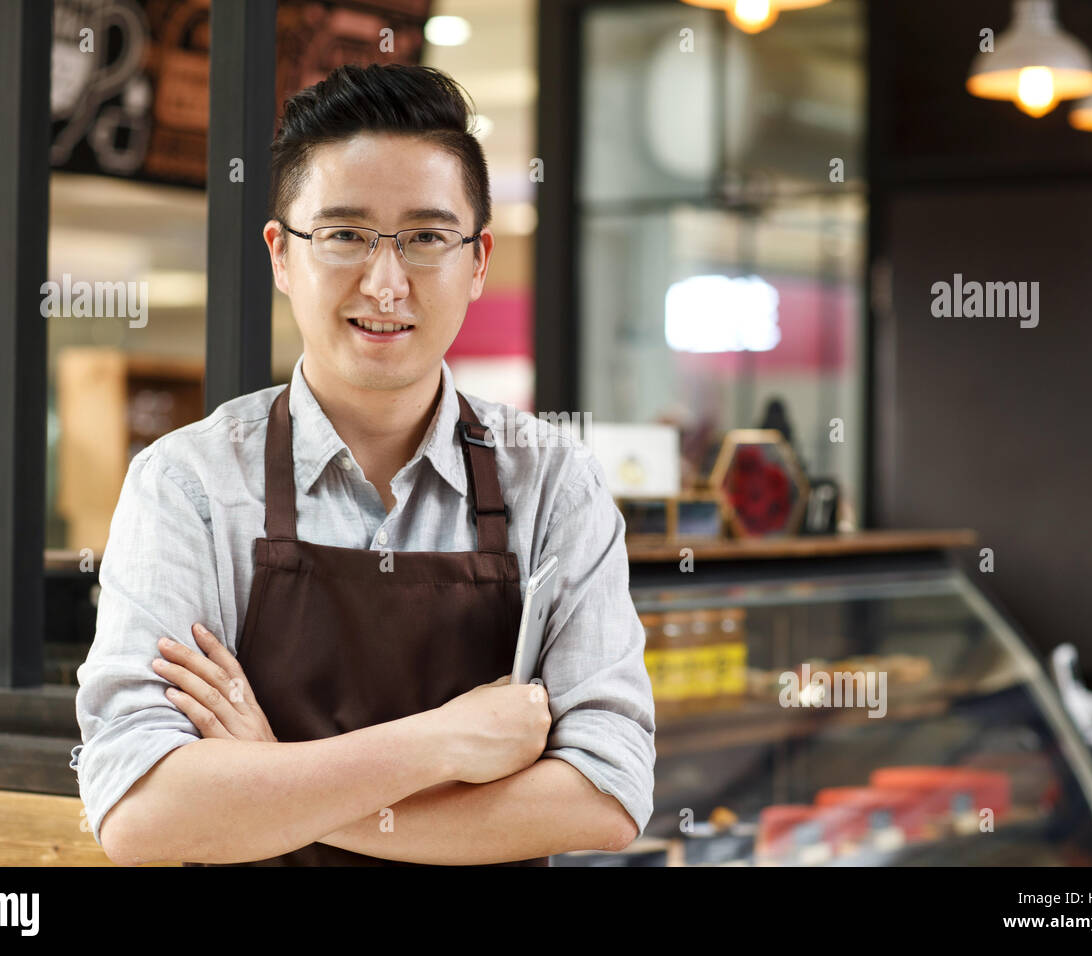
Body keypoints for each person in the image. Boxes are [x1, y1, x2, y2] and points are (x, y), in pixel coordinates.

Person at [70, 64, 655, 866]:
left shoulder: (555, 484)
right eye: (344, 235)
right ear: (282, 256)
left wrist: (271, 780)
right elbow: (142, 813)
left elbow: (606, 793)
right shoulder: (189, 485)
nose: (386, 284)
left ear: (478, 259)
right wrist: (441, 743)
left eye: (425, 237)